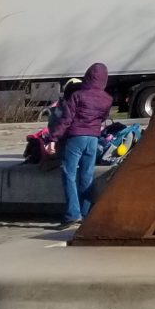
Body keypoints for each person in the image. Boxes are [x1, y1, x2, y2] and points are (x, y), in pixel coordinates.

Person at [44, 63, 111, 228]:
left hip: (76, 137)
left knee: (69, 173)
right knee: (87, 176)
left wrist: (53, 138)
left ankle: (72, 214)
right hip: (93, 139)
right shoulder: (107, 99)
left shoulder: (78, 95)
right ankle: (86, 213)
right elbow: (103, 118)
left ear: (87, 76)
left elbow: (66, 120)